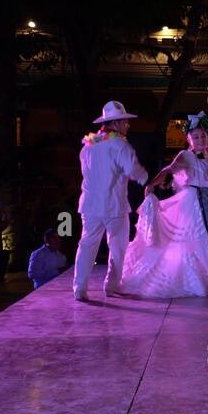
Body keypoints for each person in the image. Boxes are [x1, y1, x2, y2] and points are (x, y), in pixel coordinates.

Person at [120, 112, 208, 298]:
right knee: (196, 240)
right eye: (196, 136)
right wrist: (152, 184)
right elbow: (168, 170)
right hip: (193, 201)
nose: (200, 139)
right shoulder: (186, 156)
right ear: (189, 139)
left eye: (203, 135)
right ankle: (199, 280)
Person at [72, 101, 149, 301]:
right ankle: (112, 285)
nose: (128, 125)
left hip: (90, 205)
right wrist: (148, 179)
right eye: (125, 122)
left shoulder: (88, 146)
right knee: (117, 247)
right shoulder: (120, 145)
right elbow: (134, 171)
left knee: (87, 245)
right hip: (114, 205)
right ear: (115, 123)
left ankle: (79, 288)